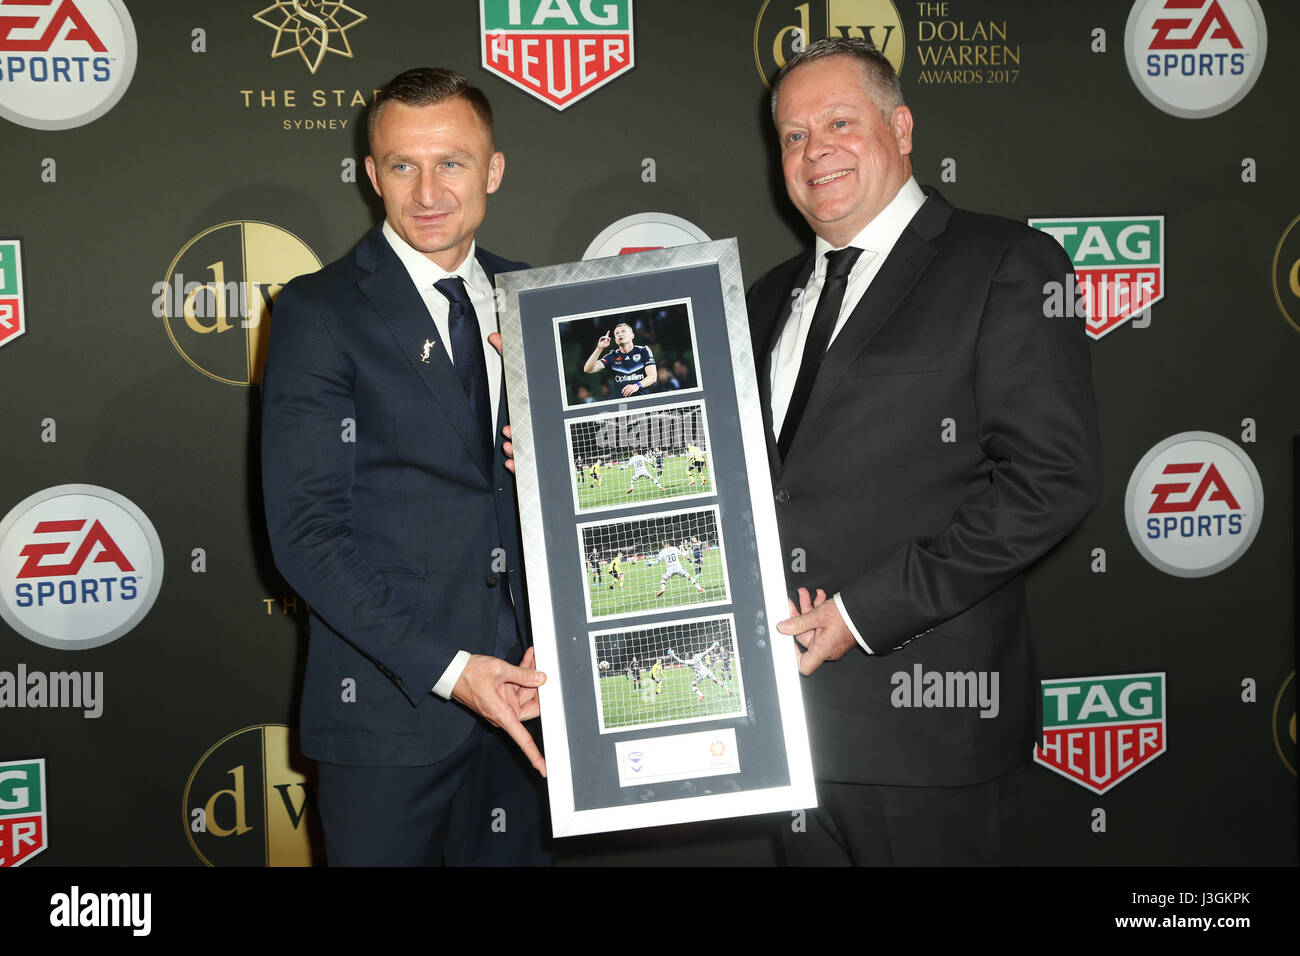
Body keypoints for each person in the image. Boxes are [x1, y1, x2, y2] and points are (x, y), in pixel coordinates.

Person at [748, 37, 1101, 866]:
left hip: (928, 734)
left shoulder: (1005, 263)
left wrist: (864, 614)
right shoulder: (767, 297)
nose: (814, 150)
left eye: (839, 121)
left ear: (901, 128)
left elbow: (1051, 480)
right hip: (786, 734)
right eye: (793, 136)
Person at [261, 67, 551, 866]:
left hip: (534, 705)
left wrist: (559, 467)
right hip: (388, 719)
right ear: (371, 175)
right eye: (402, 165)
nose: (428, 191)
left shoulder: (536, 299)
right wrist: (454, 672)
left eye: (452, 163)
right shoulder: (318, 313)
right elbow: (306, 537)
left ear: (492, 170)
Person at [583, 322, 656, 398]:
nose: (620, 334)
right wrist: (599, 348)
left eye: (623, 331)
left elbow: (653, 377)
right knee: (621, 408)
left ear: (632, 336)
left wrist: (636, 386)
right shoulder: (612, 356)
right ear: (615, 340)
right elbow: (588, 369)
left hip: (642, 399)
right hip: (621, 403)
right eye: (617, 333)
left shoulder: (643, 350)